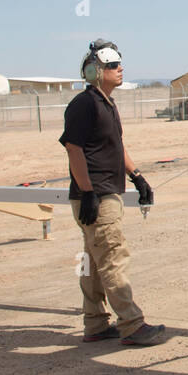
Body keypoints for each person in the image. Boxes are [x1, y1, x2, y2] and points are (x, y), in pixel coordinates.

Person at [60, 39, 165, 347]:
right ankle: (132, 325)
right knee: (113, 258)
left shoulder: (106, 103)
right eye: (112, 65)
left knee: (93, 261)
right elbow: (73, 148)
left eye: (119, 64)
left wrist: (137, 176)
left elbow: (117, 146)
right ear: (95, 72)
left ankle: (94, 324)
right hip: (97, 197)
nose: (120, 69)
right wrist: (89, 192)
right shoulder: (85, 104)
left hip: (102, 193)